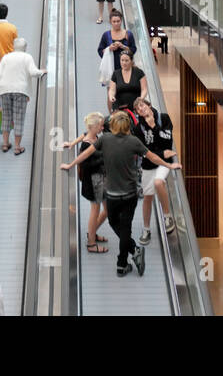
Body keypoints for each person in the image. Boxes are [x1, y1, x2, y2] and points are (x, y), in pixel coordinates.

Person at [61, 111, 180, 277]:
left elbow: (85, 154)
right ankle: (127, 257)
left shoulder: (105, 139)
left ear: (114, 126)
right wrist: (170, 165)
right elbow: (152, 157)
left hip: (113, 194)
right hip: (130, 194)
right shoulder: (134, 141)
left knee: (114, 223)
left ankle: (124, 261)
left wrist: (70, 164)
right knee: (126, 228)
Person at [62, 112, 109, 253]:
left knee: (107, 210)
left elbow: (83, 134)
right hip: (94, 182)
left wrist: (71, 143)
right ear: (93, 126)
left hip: (101, 180)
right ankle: (91, 244)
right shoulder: (86, 145)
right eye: (100, 126)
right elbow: (83, 159)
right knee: (95, 210)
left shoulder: (94, 136)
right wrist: (70, 165)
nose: (102, 128)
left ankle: (92, 232)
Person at [132, 97, 178, 241]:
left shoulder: (163, 118)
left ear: (149, 105)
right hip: (148, 165)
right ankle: (146, 229)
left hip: (164, 163)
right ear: (137, 113)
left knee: (159, 182)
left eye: (142, 105)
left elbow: (167, 140)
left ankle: (167, 217)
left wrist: (154, 128)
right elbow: (143, 150)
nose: (141, 109)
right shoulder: (138, 128)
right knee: (148, 197)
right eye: (138, 109)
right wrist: (161, 153)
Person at [0, 36, 46, 154]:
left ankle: (5, 144)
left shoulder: (6, 57)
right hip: (20, 90)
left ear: (14, 47)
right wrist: (41, 72)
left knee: (6, 116)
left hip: (5, 89)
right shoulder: (27, 57)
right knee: (19, 118)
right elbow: (33, 72)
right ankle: (17, 147)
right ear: (25, 48)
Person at [96, 9, 137, 84]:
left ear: (121, 21)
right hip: (111, 67)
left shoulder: (128, 34)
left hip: (126, 67)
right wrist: (109, 48)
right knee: (111, 92)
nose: (116, 23)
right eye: (114, 22)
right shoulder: (106, 35)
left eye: (118, 21)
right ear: (110, 22)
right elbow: (100, 50)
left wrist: (124, 47)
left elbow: (133, 49)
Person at [107, 48, 147, 114]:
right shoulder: (116, 74)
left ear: (131, 61)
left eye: (126, 61)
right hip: (119, 107)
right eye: (122, 60)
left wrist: (141, 98)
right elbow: (112, 89)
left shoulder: (139, 72)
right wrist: (111, 96)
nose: (124, 63)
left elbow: (144, 89)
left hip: (135, 107)